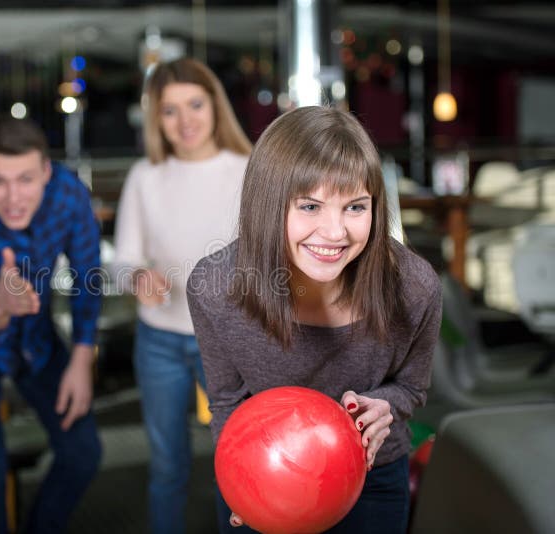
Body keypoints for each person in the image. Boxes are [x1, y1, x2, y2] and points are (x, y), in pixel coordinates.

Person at [187, 106, 443, 534]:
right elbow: (227, 401)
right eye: (310, 205)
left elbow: (412, 388)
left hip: (373, 477)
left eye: (355, 207)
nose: (335, 232)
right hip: (268, 473)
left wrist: (384, 406)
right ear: (268, 204)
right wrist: (240, 479)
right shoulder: (216, 287)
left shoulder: (413, 287)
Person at [0, 114, 102, 534]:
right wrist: (0, 304)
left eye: (25, 179)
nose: (13, 197)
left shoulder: (68, 194)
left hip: (37, 338)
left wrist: (82, 358)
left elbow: (87, 276)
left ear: (46, 171)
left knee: (83, 452)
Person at [112, 57, 252, 534]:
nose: (185, 120)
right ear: (156, 119)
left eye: (195, 104)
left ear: (215, 106)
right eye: (169, 110)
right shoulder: (145, 177)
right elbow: (122, 261)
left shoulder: (250, 170)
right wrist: (137, 277)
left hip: (231, 343)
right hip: (160, 341)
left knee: (238, 463)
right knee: (167, 465)